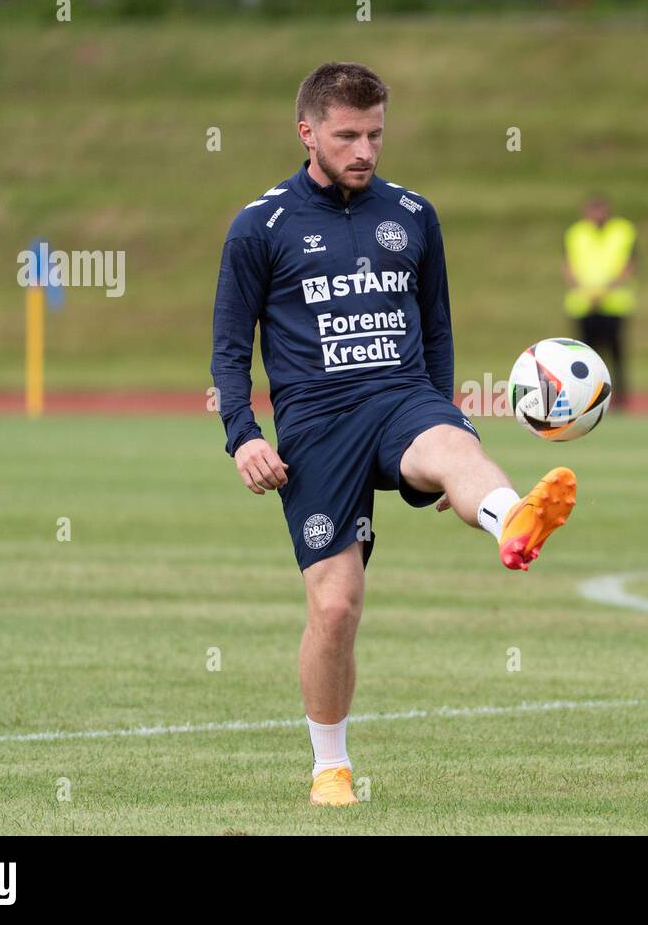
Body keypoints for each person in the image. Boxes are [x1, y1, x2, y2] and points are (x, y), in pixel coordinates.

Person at [210, 62, 578, 807]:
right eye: (347, 135)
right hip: (315, 427)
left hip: (402, 398)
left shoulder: (413, 214)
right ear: (307, 132)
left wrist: (451, 421)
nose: (365, 150)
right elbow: (227, 348)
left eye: (376, 133)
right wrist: (243, 435)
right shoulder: (262, 225)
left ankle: (513, 523)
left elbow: (437, 327)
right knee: (337, 606)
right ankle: (331, 767)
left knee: (453, 447)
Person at [562, 195, 636, 411]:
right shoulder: (575, 233)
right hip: (583, 304)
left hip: (614, 303)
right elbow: (566, 263)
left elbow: (630, 263)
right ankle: (585, 399)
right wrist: (581, 288)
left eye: (601, 210)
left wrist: (606, 290)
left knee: (615, 352)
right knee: (584, 357)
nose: (597, 215)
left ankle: (619, 399)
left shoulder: (623, 231)